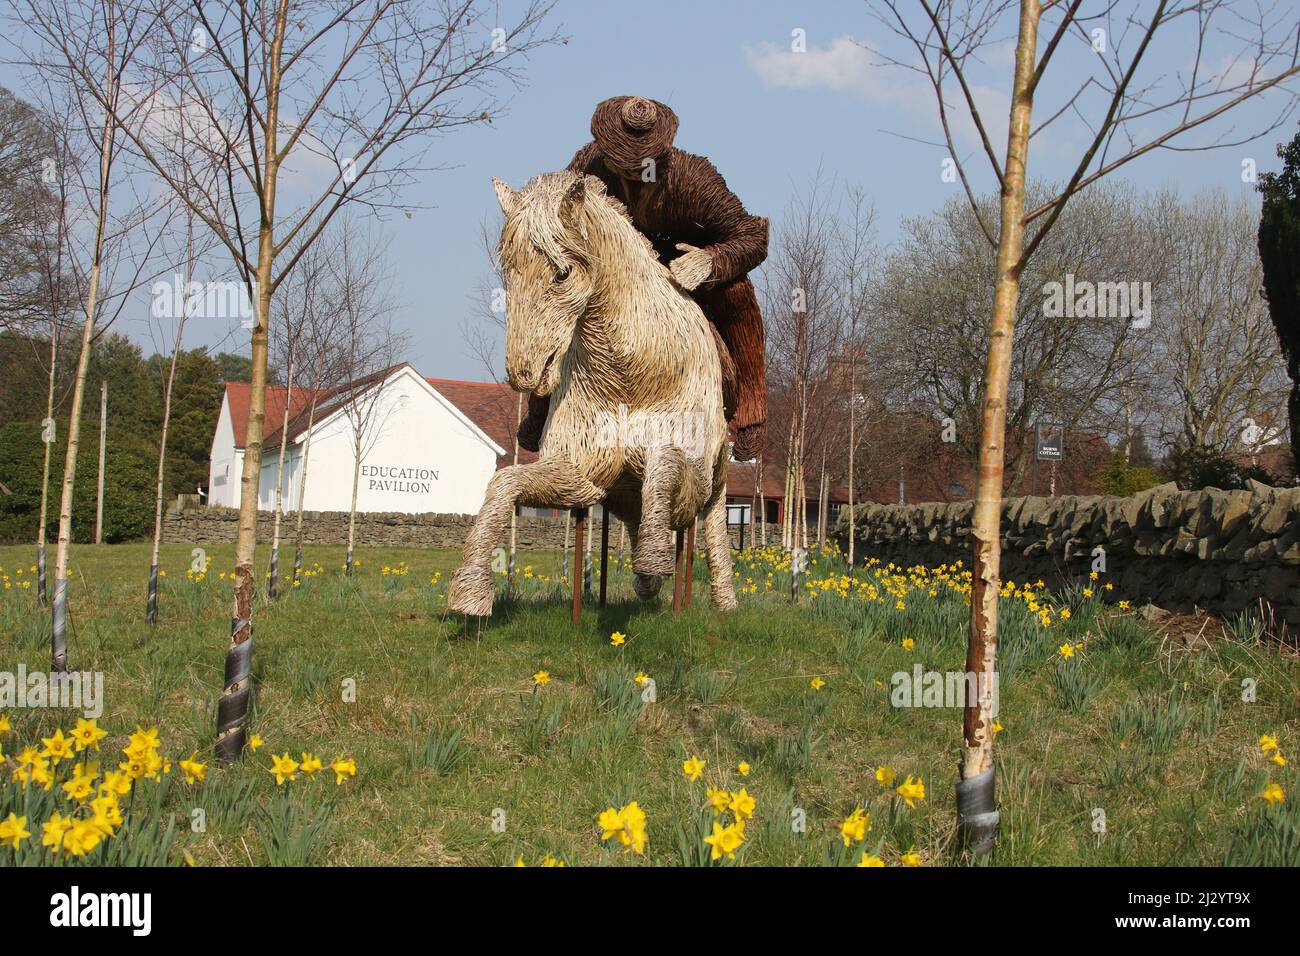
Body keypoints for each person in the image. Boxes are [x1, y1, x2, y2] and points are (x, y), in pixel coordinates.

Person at [516, 95, 769, 462]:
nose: (630, 170)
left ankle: (750, 403)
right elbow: (557, 213)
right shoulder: (588, 166)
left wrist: (710, 262)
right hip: (612, 275)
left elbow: (753, 236)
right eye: (620, 160)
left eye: (639, 162)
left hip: (681, 272)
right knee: (560, 287)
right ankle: (540, 407)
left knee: (738, 290)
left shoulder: (693, 177)